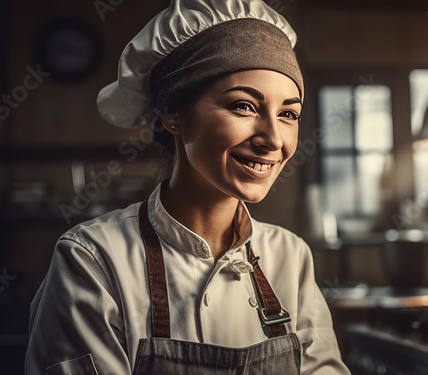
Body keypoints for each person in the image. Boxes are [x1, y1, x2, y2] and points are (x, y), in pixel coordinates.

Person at [25, 1, 350, 374]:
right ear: (172, 114)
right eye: (244, 106)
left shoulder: (289, 257)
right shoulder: (93, 260)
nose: (273, 139)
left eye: (288, 114)